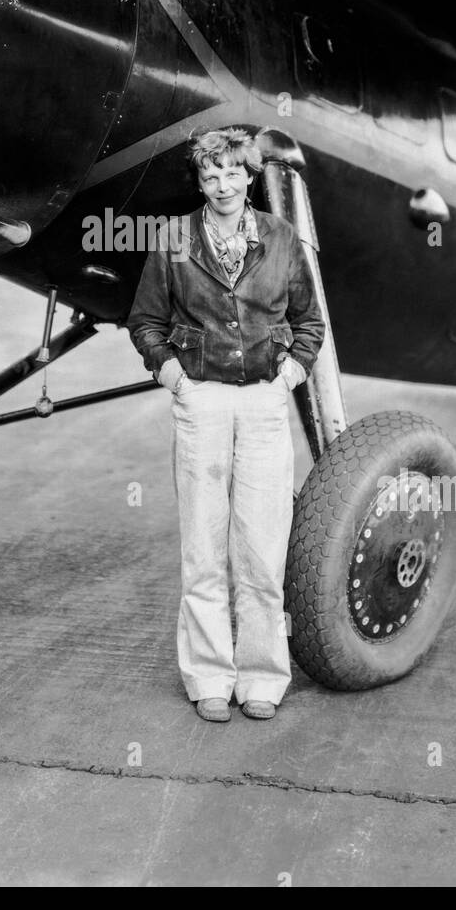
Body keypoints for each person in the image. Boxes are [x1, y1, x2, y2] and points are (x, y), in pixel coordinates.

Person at [127, 128, 325, 722]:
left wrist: (287, 378)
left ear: (249, 176)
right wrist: (174, 379)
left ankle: (263, 675)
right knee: (204, 549)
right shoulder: (173, 240)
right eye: (210, 176)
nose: (221, 185)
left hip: (264, 403)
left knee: (262, 550)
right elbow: (144, 322)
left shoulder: (282, 238)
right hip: (201, 404)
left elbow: (310, 322)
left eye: (232, 174)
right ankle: (210, 676)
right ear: (201, 181)